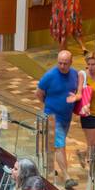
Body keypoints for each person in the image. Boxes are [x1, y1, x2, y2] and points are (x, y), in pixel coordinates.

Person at [36, 50, 82, 179]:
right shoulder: (49, 76)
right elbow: (39, 93)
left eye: (65, 63)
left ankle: (49, 170)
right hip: (52, 116)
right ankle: (67, 177)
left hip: (66, 117)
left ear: (71, 63)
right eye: (60, 63)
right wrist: (49, 106)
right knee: (60, 144)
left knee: (54, 145)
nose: (62, 66)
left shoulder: (74, 74)